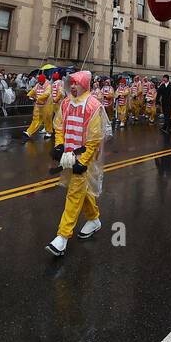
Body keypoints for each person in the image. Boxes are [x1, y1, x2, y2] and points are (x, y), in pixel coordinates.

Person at [45, 71, 110, 257]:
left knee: (74, 194)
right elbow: (59, 126)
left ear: (84, 84)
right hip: (68, 157)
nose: (72, 86)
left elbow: (95, 138)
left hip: (83, 160)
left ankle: (62, 237)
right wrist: (59, 145)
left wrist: (83, 161)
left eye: (76, 83)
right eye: (71, 83)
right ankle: (94, 219)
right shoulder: (66, 103)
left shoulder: (93, 106)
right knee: (81, 191)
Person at [23, 73, 53, 139]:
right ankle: (29, 132)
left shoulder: (48, 85)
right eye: (39, 81)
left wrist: (37, 98)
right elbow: (33, 90)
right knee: (35, 119)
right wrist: (29, 95)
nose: (40, 83)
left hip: (46, 105)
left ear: (44, 80)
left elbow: (47, 94)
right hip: (38, 105)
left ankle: (49, 132)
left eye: (41, 81)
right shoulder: (38, 84)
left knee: (47, 119)